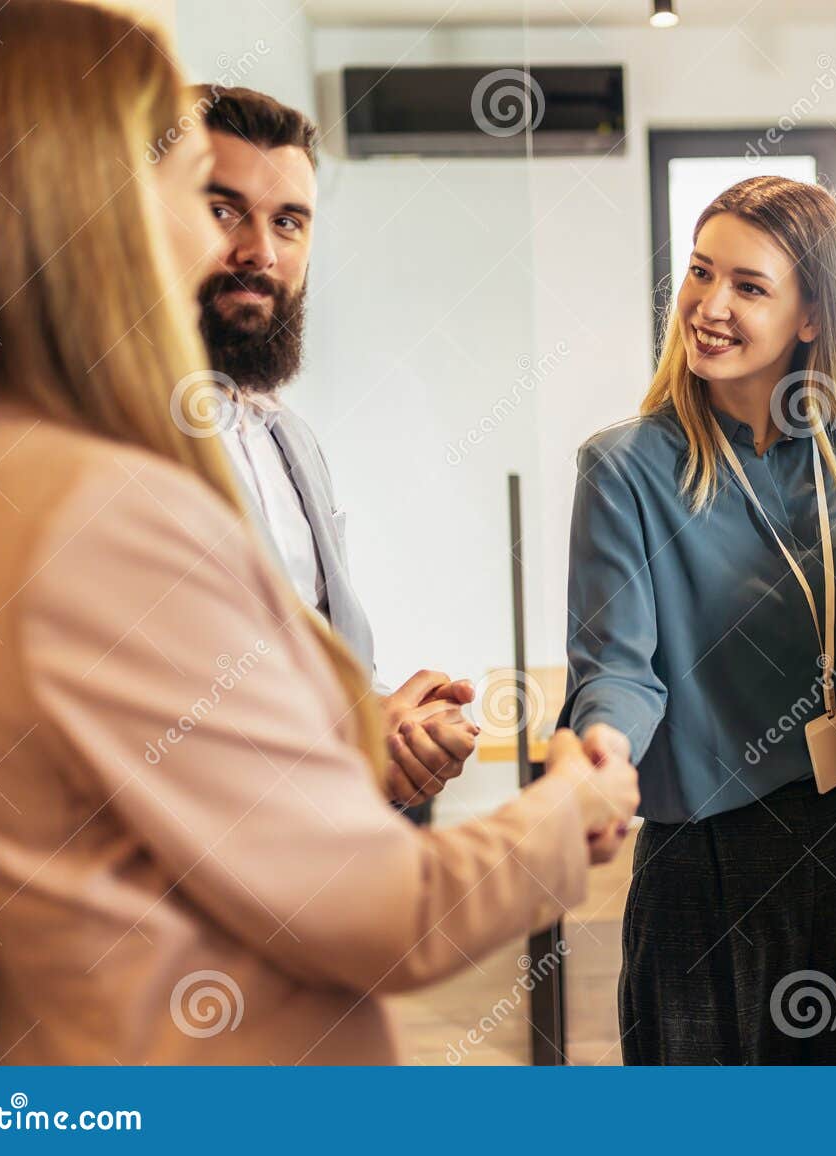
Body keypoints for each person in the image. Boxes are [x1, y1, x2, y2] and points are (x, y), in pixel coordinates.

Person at [0, 0, 638, 1065]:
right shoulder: (97, 504)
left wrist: (356, 727)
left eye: (286, 220)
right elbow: (372, 907)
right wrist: (571, 807)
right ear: (88, 206)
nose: (235, 248)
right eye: (200, 193)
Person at [561, 176, 836, 1064]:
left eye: (748, 286)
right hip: (704, 868)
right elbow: (618, 666)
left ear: (810, 317)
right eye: (699, 272)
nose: (709, 306)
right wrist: (602, 746)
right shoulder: (625, 469)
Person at [195, 87, 469, 814]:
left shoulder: (289, 438)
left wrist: (394, 727)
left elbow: (315, 652)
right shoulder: (110, 442)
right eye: (223, 211)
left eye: (288, 222)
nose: (260, 252)